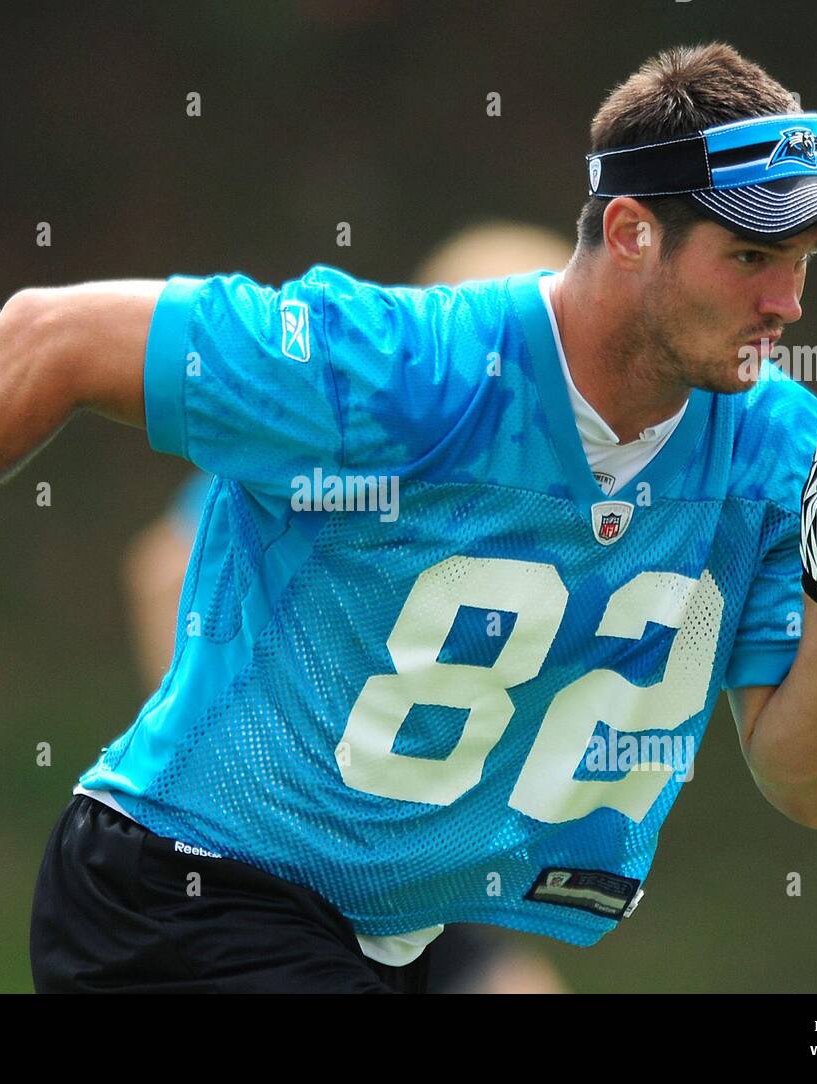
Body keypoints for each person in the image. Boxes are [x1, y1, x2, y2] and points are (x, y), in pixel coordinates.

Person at [0, 42, 817, 995]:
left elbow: (810, 789)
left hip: (374, 938)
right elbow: (49, 337)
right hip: (182, 899)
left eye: (804, 256)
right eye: (751, 255)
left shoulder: (778, 451)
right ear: (630, 234)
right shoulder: (407, 367)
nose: (789, 301)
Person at [119, 222, 576, 994]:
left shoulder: (530, 479)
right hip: (302, 837)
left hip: (408, 832)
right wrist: (233, 774)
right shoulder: (367, 439)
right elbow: (164, 569)